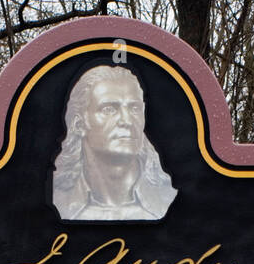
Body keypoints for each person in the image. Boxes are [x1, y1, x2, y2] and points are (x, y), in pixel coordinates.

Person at [51, 65, 177, 220]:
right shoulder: (57, 202)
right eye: (109, 109)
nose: (127, 120)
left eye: (134, 108)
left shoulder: (167, 200)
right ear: (79, 125)